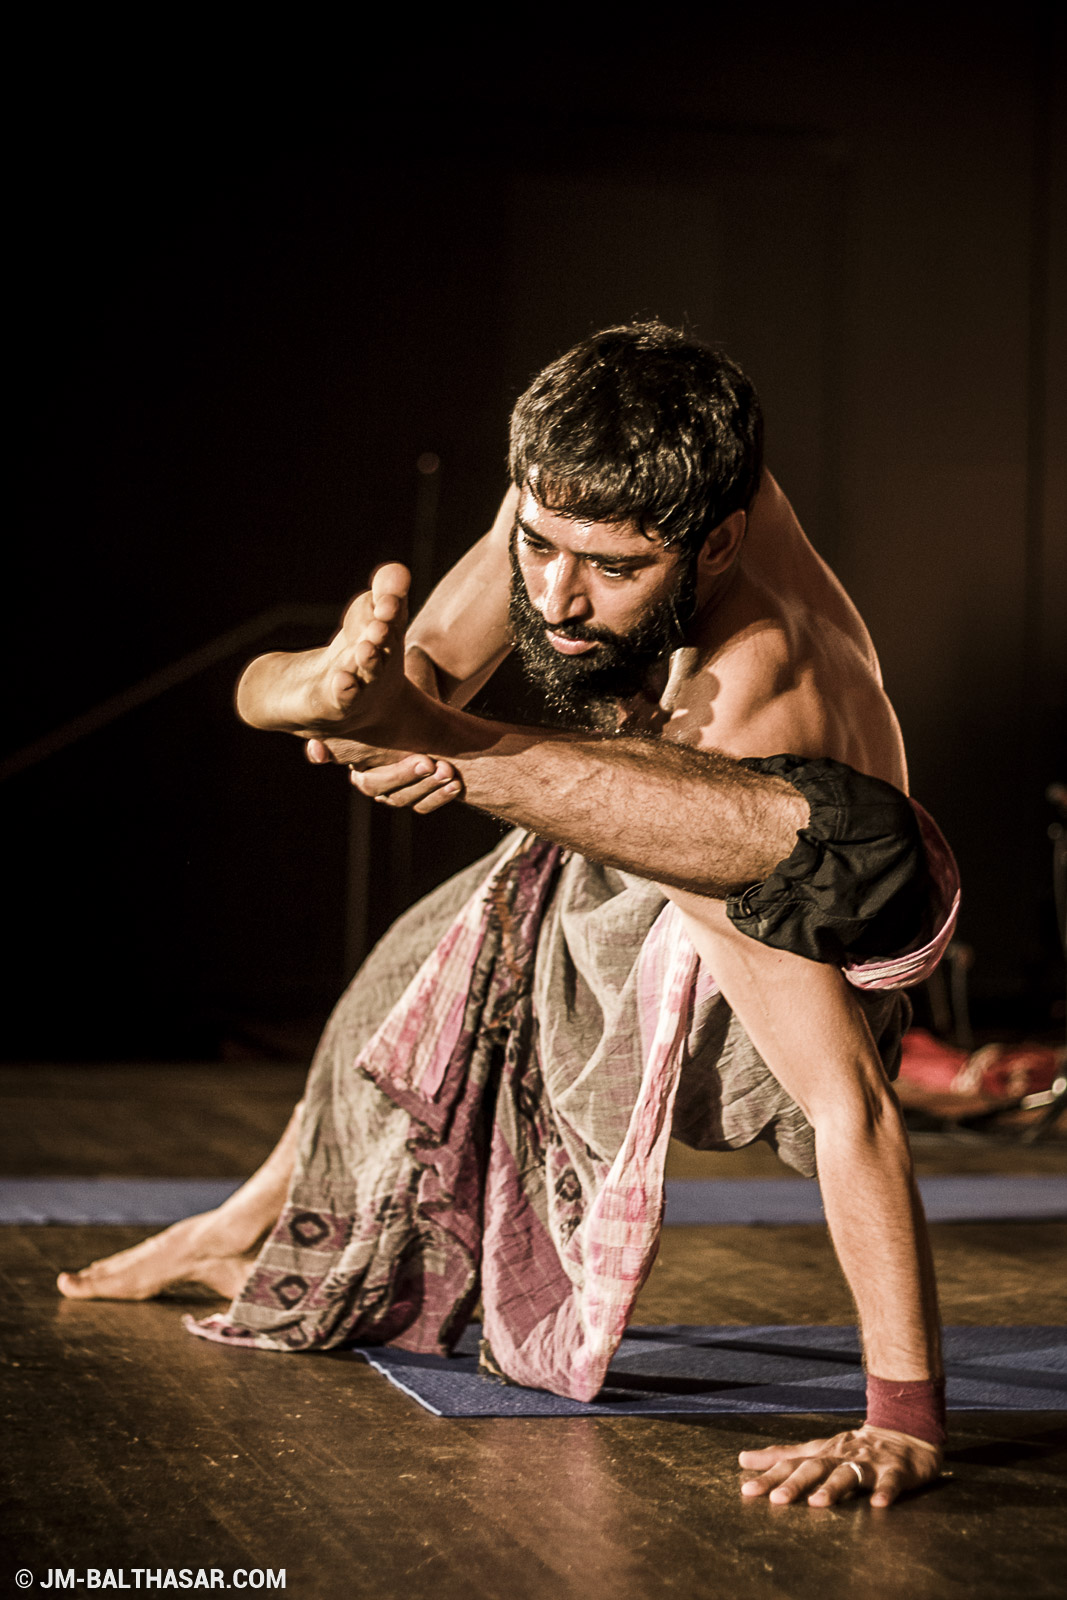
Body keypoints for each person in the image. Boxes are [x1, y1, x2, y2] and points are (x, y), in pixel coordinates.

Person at [58, 323, 959, 1510]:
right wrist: (341, 686)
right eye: (537, 546)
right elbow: (423, 662)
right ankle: (240, 1220)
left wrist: (901, 1416)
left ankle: (397, 735)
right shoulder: (600, 472)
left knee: (424, 747)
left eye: (611, 570)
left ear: (717, 542)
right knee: (405, 964)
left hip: (801, 913)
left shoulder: (750, 701)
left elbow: (848, 1106)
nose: (555, 597)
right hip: (640, 823)